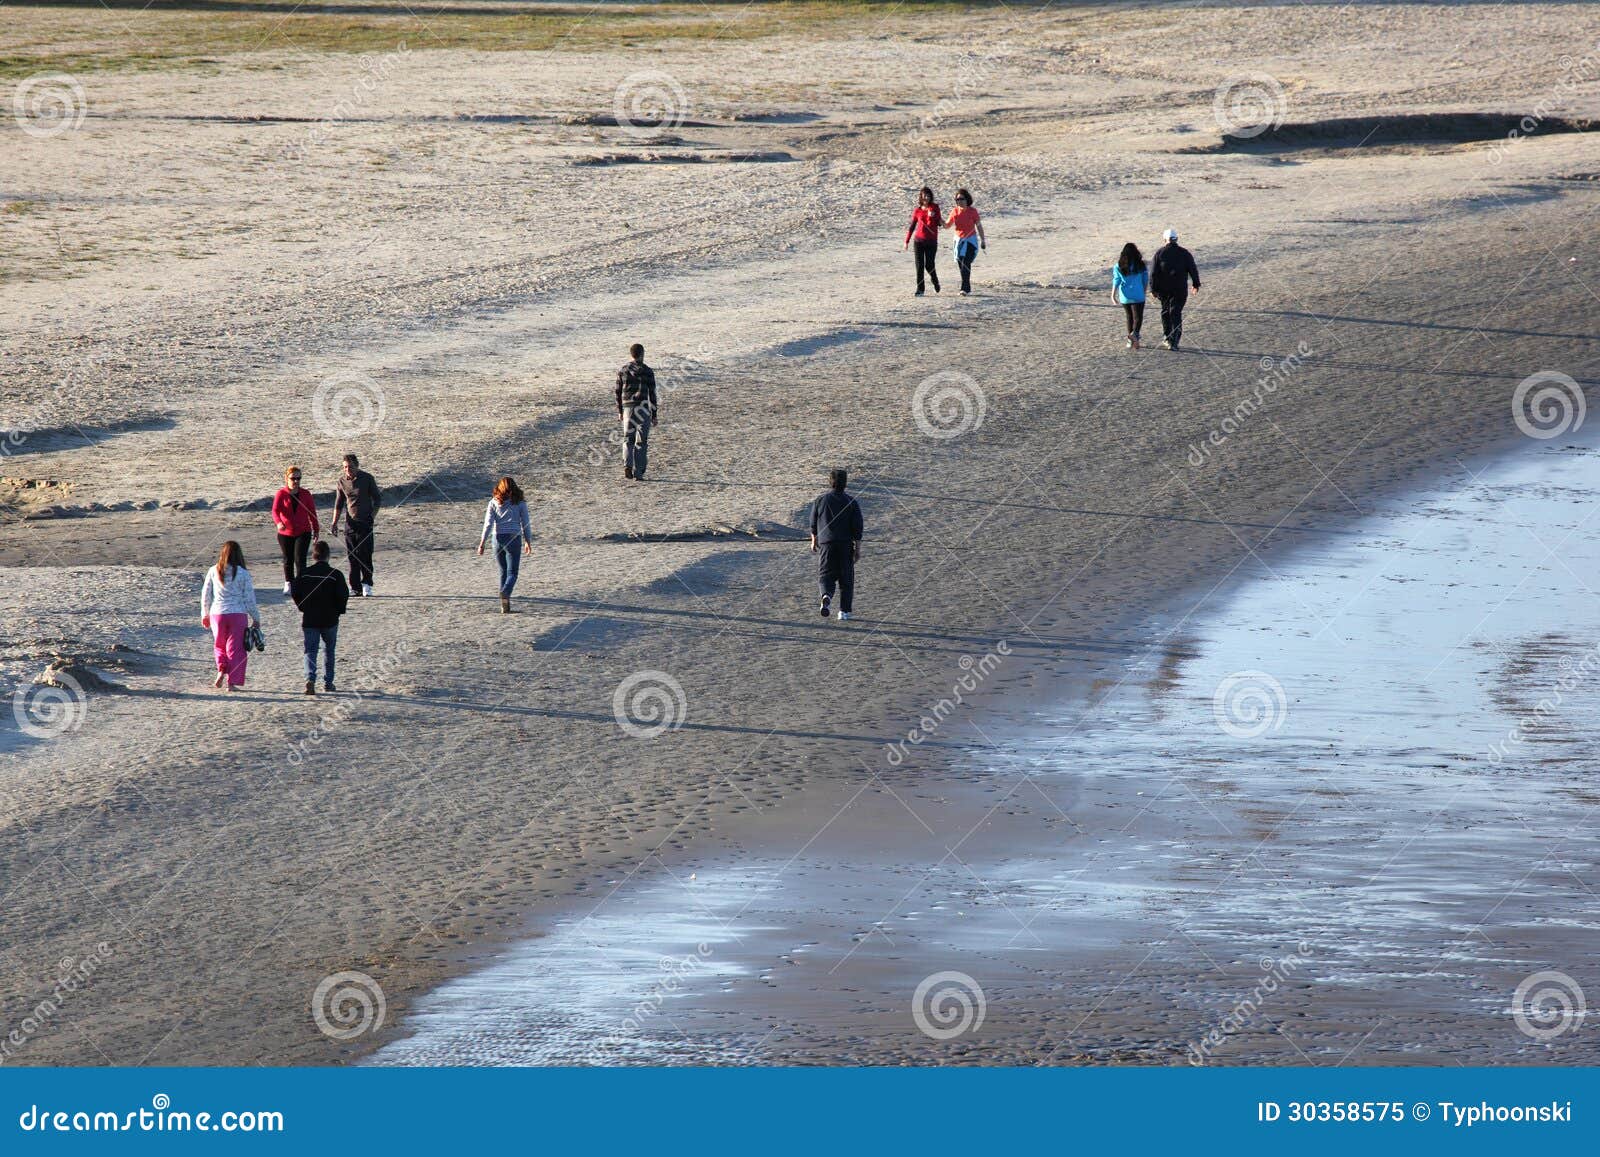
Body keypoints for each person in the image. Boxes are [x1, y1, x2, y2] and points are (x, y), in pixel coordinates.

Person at [291, 539, 350, 695]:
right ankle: (328, 682)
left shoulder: (304, 574)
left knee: (310, 649)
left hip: (310, 617)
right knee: (329, 650)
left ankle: (310, 678)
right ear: (328, 556)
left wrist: (302, 606)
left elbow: (294, 591)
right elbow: (343, 595)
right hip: (330, 618)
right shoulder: (335, 575)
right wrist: (338, 611)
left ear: (314, 556)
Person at [200, 540, 260, 691]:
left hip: (217, 614)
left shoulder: (213, 570)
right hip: (238, 614)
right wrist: (256, 618)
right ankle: (231, 683)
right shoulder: (243, 573)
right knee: (236, 649)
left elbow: (206, 595)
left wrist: (205, 614)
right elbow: (249, 598)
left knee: (219, 645)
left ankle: (221, 668)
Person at [810, 467, 864, 622]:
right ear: (845, 484)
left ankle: (826, 595)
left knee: (825, 575)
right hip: (845, 545)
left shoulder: (820, 500)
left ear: (830, 482)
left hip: (826, 544)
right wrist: (857, 549)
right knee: (846, 579)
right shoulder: (851, 502)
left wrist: (814, 540)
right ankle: (844, 612)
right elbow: (857, 528)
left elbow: (813, 523)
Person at [476, 475, 533, 614]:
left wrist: (482, 542)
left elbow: (488, 524)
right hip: (513, 539)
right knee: (512, 572)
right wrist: (528, 541)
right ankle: (506, 592)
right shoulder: (520, 503)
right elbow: (526, 524)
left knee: (503, 572)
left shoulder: (493, 502)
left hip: (497, 539)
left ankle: (504, 605)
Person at [330, 452, 381, 598]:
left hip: (365, 522)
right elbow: (338, 504)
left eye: (350, 467)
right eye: (345, 467)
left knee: (365, 555)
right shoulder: (341, 482)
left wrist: (372, 516)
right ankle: (355, 587)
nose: (348, 470)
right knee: (352, 557)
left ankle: (367, 585)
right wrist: (334, 523)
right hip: (350, 524)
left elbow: (377, 499)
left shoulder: (367, 478)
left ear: (357, 466)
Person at [1149, 228, 1201, 350]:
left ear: (1165, 240)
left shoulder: (1159, 253)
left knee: (1166, 312)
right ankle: (1175, 341)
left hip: (1164, 290)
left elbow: (1153, 273)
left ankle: (1168, 337)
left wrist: (1153, 289)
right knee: (1176, 313)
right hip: (1180, 290)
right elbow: (1193, 269)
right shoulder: (1185, 253)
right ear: (1176, 239)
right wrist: (1196, 284)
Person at [271, 465, 320, 594]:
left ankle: (301, 584)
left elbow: (312, 513)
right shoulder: (281, 494)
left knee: (300, 558)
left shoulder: (305, 494)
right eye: (293, 478)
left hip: (303, 532)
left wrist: (316, 529)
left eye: (299, 478)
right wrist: (279, 523)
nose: (296, 481)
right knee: (288, 558)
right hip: (285, 532)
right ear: (286, 478)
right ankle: (289, 582)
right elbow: (275, 511)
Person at [615, 343, 658, 482]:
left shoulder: (622, 370)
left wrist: (620, 411)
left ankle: (627, 465)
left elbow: (618, 391)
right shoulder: (648, 371)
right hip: (643, 409)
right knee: (642, 441)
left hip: (628, 408)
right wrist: (654, 414)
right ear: (642, 354)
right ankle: (638, 472)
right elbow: (652, 394)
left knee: (628, 439)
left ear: (631, 354)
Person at [944, 188, 986, 296]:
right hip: (959, 241)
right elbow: (947, 225)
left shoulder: (973, 211)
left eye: (961, 199)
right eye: (957, 200)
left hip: (971, 240)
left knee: (966, 263)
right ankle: (967, 287)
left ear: (967, 199)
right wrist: (938, 220)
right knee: (961, 264)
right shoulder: (955, 211)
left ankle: (964, 289)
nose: (959, 201)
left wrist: (983, 240)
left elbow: (979, 226)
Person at [903, 186, 941, 296]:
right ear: (921, 197)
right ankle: (920, 289)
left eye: (928, 195)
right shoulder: (917, 210)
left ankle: (935, 280)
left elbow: (937, 223)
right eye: (925, 195)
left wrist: (932, 217)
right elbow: (912, 226)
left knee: (929, 265)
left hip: (931, 241)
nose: (927, 197)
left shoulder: (935, 207)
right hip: (918, 241)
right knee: (919, 266)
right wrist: (907, 241)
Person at [1112, 242, 1149, 350]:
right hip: (1138, 295)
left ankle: (1130, 341)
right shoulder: (1140, 265)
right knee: (1138, 317)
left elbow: (1116, 280)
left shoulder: (1118, 266)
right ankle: (1135, 334)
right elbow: (1145, 280)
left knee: (1129, 317)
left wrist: (1113, 295)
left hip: (1125, 296)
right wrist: (1144, 291)